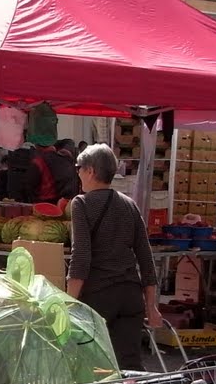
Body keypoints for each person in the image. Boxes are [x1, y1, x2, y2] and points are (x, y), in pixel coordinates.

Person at [65, 143, 160, 370]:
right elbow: (145, 257)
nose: (77, 173)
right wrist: (151, 305)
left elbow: (81, 256)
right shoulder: (130, 205)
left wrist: (68, 303)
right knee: (130, 365)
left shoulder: (81, 203)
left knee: (93, 366)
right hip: (130, 296)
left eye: (79, 167)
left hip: (99, 296)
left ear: (91, 171)